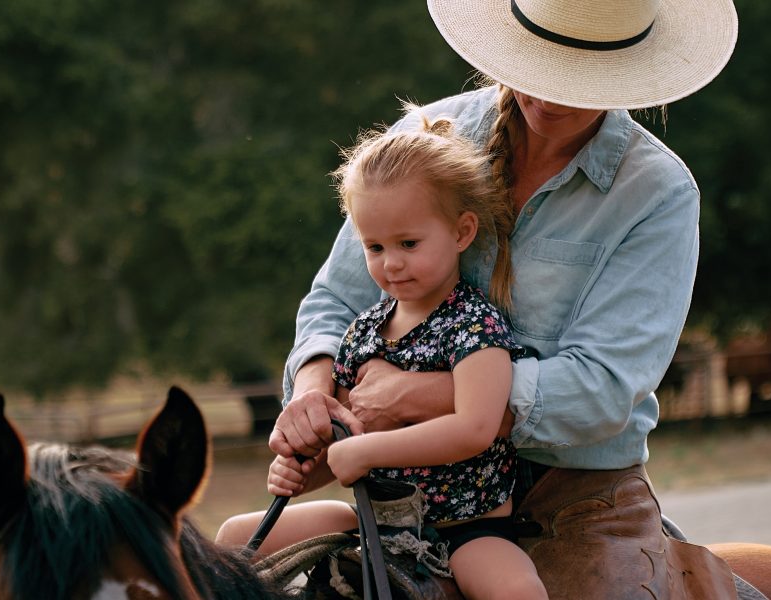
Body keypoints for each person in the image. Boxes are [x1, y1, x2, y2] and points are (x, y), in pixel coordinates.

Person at [265, 0, 743, 598]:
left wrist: (423, 398)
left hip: (574, 492)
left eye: (577, 80)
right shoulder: (425, 141)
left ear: (626, 71)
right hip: (404, 482)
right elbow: (337, 299)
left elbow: (606, 383)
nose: (546, 98)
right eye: (536, 68)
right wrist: (312, 396)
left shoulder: (658, 193)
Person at [217, 118, 547, 599]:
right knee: (231, 540)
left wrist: (365, 452)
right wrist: (305, 472)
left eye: (408, 244)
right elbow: (350, 436)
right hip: (377, 518)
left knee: (518, 591)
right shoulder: (363, 334)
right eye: (375, 247)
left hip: (466, 528)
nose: (390, 263)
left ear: (462, 232)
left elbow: (475, 427)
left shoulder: (476, 325)